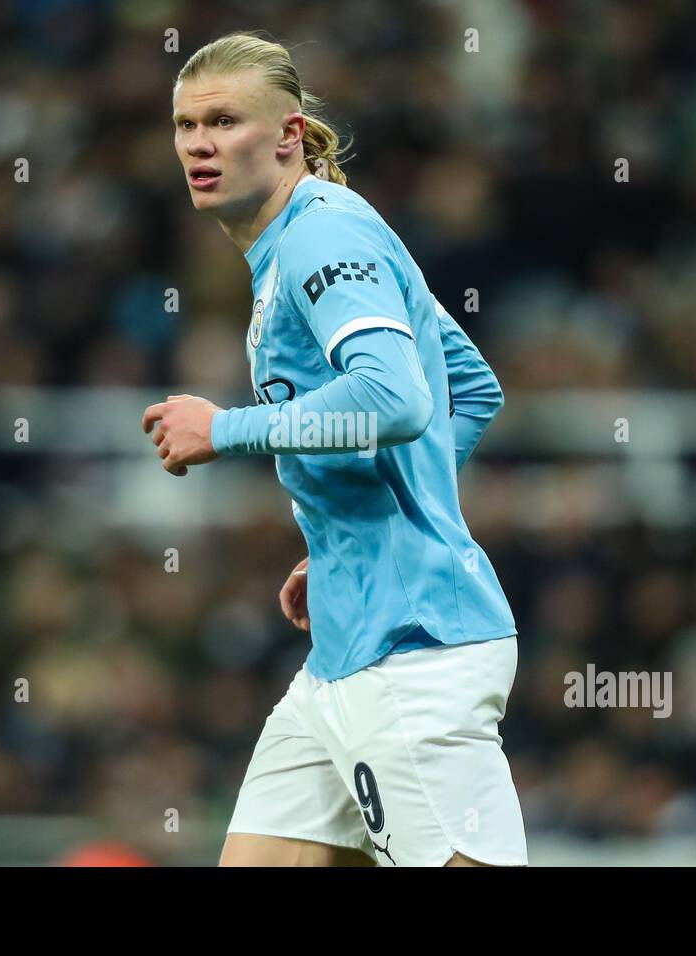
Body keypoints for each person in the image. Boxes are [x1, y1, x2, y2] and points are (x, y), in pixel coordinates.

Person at [143, 31, 525, 867]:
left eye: (224, 121)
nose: (199, 144)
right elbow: (475, 388)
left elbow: (395, 398)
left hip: (413, 658)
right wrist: (366, 530)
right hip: (345, 655)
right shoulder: (308, 237)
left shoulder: (321, 238)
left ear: (287, 136)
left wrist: (226, 429)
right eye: (184, 125)